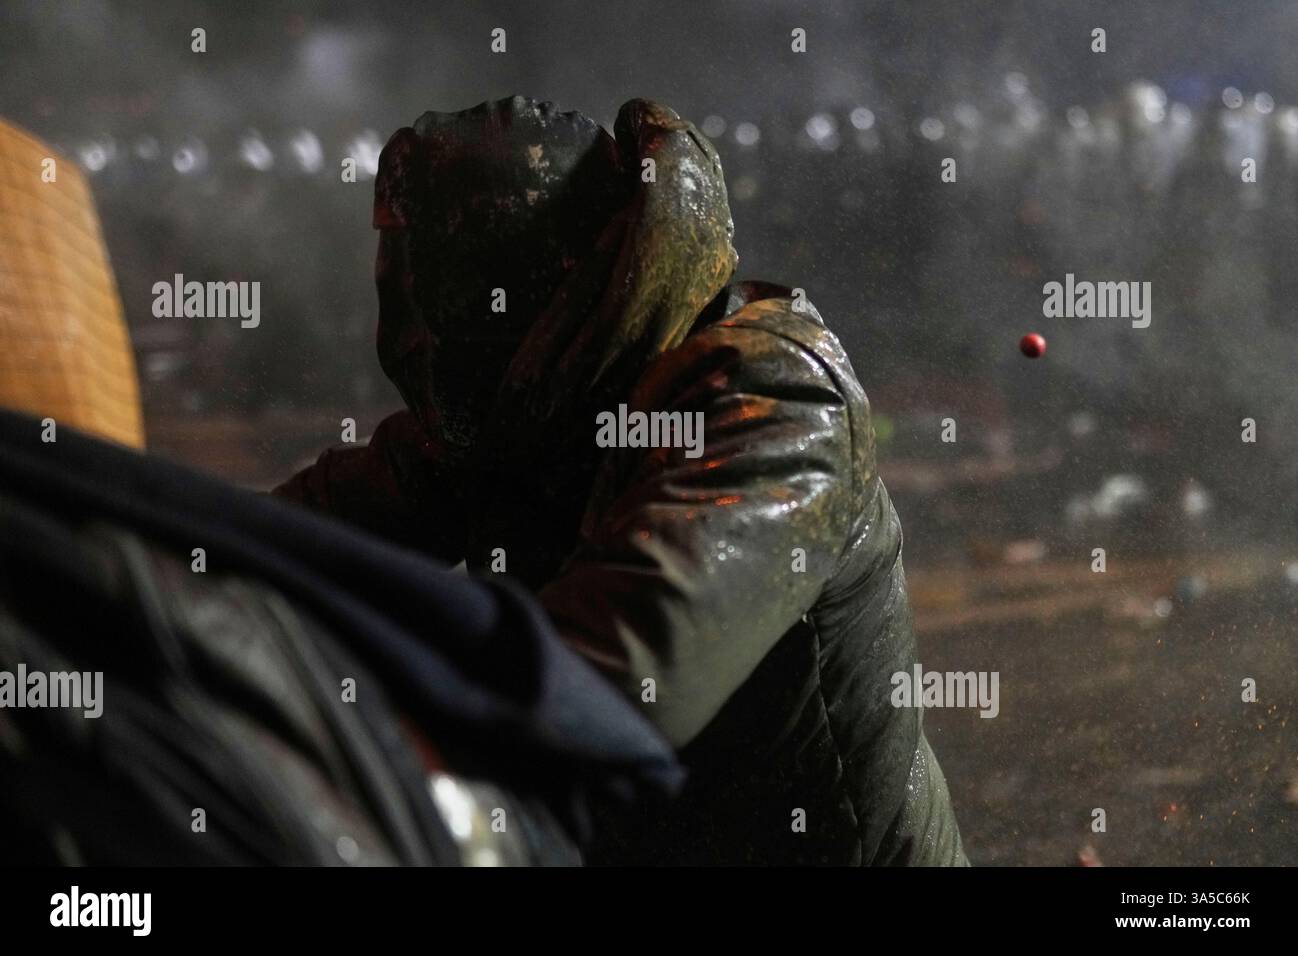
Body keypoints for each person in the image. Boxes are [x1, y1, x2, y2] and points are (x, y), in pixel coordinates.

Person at [275, 95, 967, 865]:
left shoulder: (772, 393)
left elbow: (618, 675)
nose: (411, 333)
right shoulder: (531, 403)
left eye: (434, 290)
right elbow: (291, 533)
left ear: (529, 285)